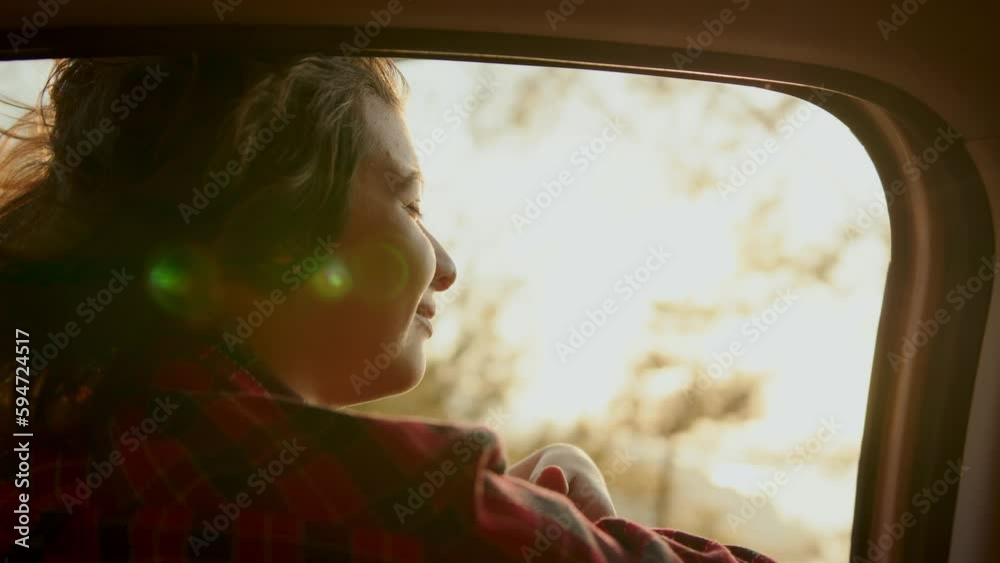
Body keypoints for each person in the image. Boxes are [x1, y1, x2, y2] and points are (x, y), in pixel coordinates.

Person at [0, 55, 775, 562]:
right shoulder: (368, 502)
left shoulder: (51, 456)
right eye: (408, 203)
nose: (445, 265)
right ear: (269, 230)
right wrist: (588, 523)